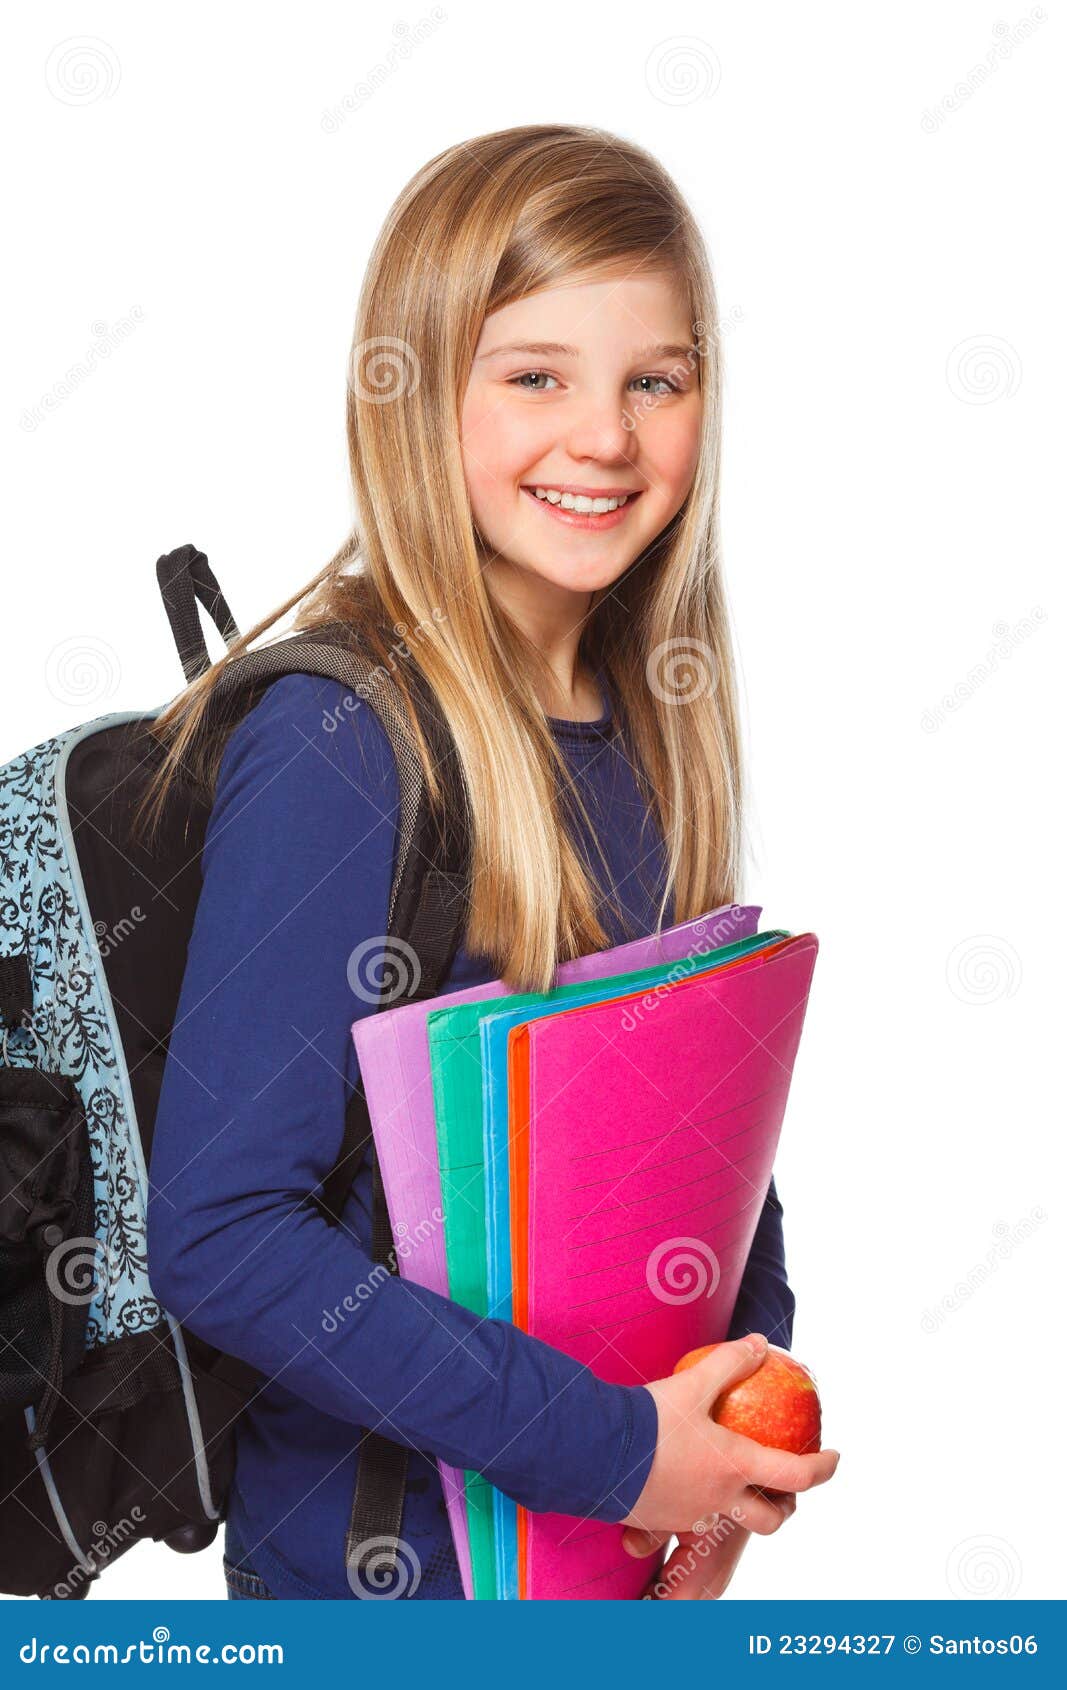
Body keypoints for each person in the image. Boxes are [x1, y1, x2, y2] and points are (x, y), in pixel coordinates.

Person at [141, 122, 840, 1604]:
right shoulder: (341, 741)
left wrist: (722, 1429)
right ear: (415, 397)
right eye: (535, 377)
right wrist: (618, 1453)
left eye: (656, 381)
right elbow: (222, 1237)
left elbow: (693, 1137)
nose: (605, 437)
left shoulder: (656, 726)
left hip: (595, 1577)